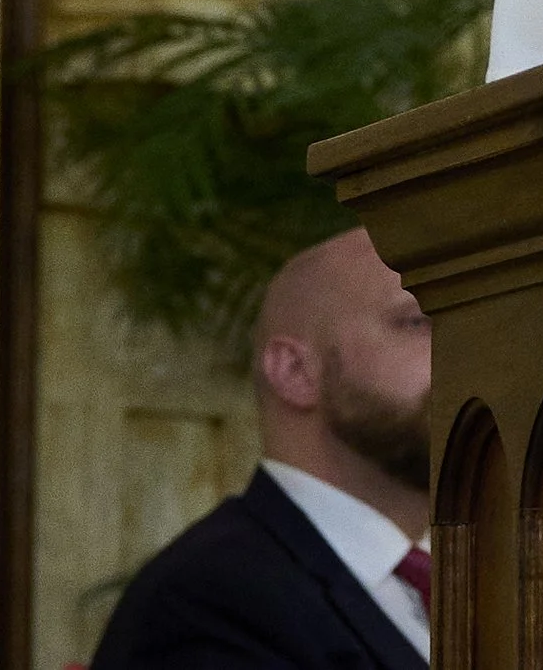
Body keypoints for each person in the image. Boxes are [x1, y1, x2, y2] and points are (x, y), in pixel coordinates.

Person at [91, 228, 432, 670]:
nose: (466, 353)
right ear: (294, 371)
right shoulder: (208, 603)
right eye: (417, 323)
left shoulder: (485, 575)